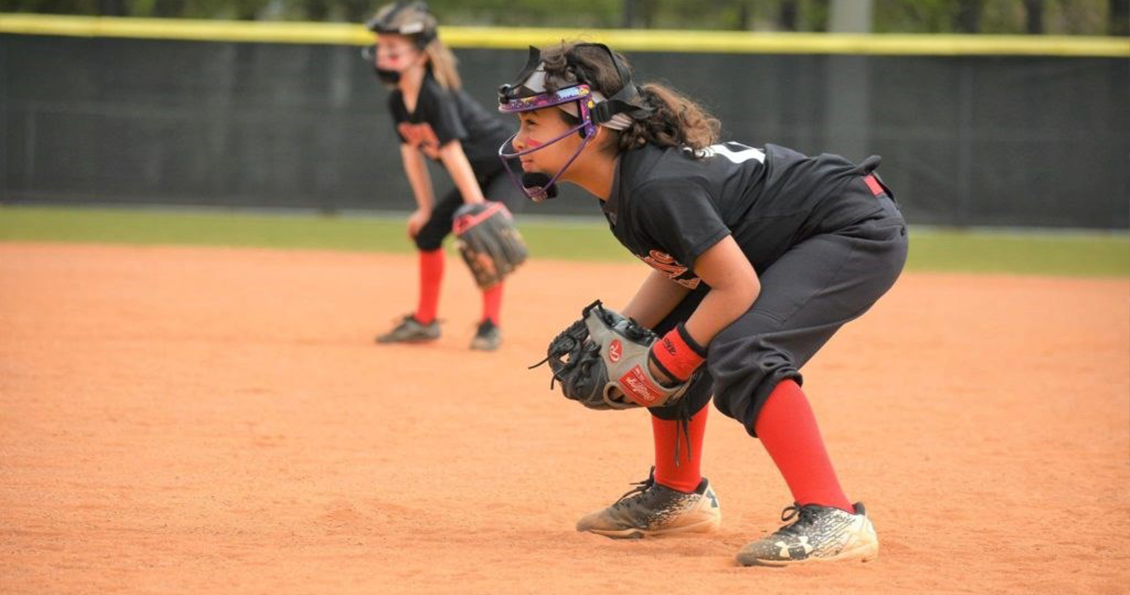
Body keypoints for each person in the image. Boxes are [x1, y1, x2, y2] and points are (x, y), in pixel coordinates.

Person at [496, 42, 908, 566]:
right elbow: (683, 268)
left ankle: (834, 515)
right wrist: (628, 331)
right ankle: (678, 494)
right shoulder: (626, 184)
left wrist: (671, 357)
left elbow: (736, 287)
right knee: (662, 339)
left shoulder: (654, 186)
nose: (519, 139)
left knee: (745, 348)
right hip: (795, 235)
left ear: (588, 126)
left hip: (851, 227)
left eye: (533, 123)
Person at [366, 1, 520, 350]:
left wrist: (477, 210)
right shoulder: (397, 102)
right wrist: (425, 210)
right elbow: (412, 158)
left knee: (484, 238)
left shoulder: (435, 96)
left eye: (393, 49)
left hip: (505, 165)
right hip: (473, 171)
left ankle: (490, 326)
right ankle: (425, 322)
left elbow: (452, 154)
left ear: (421, 55)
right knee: (428, 235)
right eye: (380, 47)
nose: (382, 55)